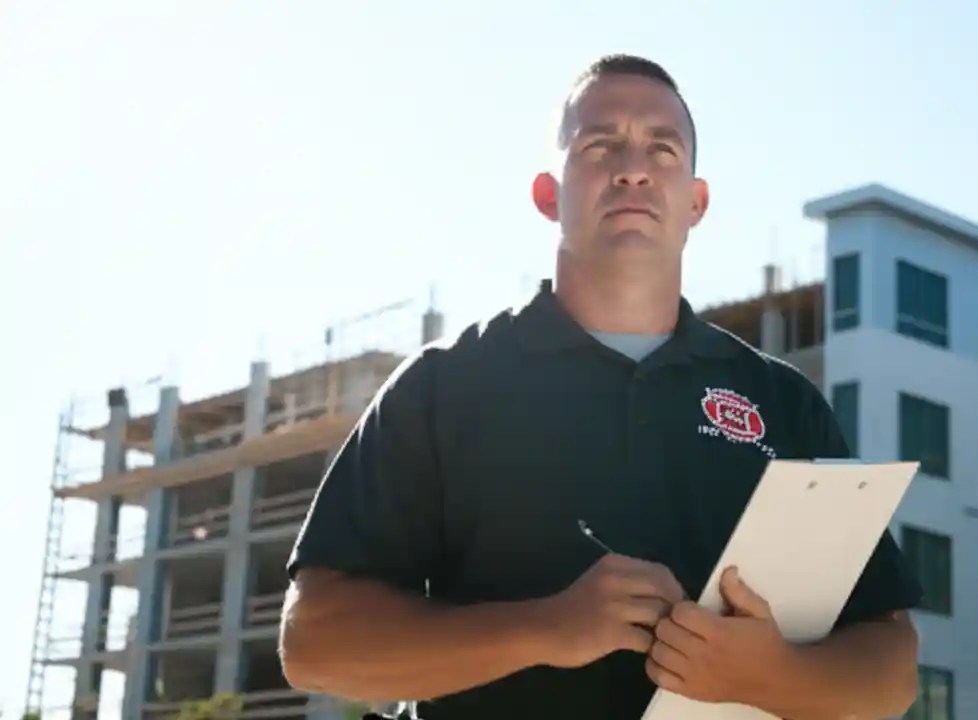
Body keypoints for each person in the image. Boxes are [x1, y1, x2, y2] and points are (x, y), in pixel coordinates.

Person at [279, 54, 922, 719]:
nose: (633, 167)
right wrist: (546, 628)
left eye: (663, 149)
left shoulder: (784, 404)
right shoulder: (442, 386)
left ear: (697, 203)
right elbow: (314, 644)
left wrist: (770, 673)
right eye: (599, 144)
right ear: (547, 194)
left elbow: (892, 668)